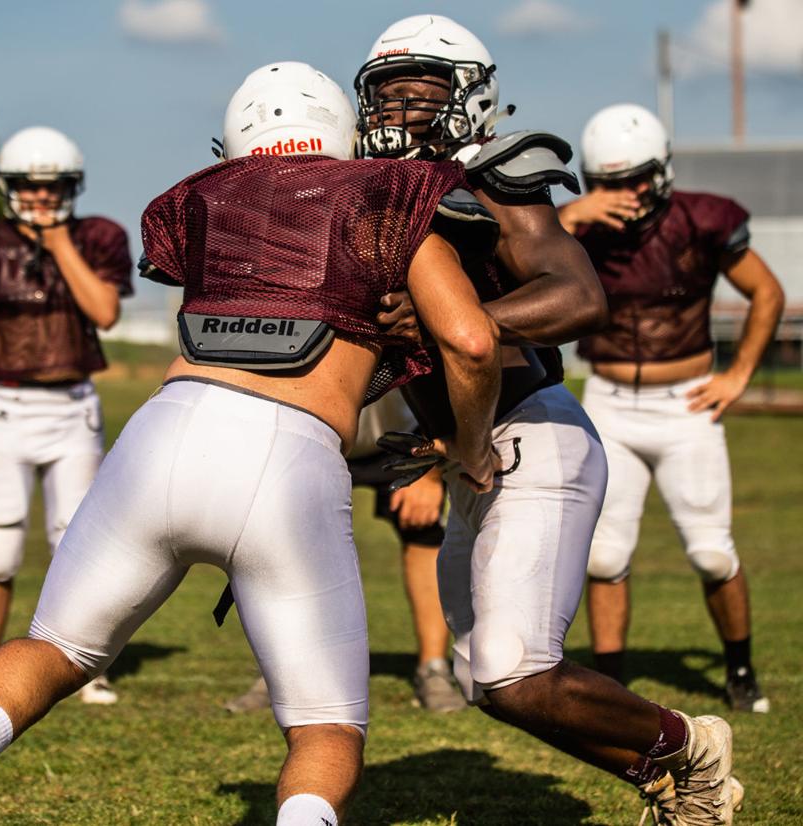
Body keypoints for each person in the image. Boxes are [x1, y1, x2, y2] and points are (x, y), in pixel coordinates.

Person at [0, 61, 503, 826]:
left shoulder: (208, 200)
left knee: (55, 647)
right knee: (326, 725)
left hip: (164, 433)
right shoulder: (386, 196)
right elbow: (473, 343)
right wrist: (471, 447)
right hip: (287, 453)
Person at [357, 16, 743, 824]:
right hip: (469, 447)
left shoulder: (491, 176)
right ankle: (667, 776)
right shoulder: (373, 191)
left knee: (511, 666)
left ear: (469, 94)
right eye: (385, 90)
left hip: (533, 431)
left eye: (419, 88)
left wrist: (457, 323)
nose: (399, 106)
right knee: (488, 681)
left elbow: (580, 296)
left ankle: (691, 744)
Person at [558, 103, 784, 713]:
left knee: (712, 552)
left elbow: (767, 292)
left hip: (686, 404)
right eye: (605, 182)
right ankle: (611, 681)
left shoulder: (703, 220)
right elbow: (516, 266)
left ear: (659, 174)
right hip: (607, 401)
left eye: (631, 179)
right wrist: (568, 217)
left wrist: (737, 375)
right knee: (605, 555)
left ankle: (740, 669)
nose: (621, 194)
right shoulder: (578, 229)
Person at [0, 126, 132, 707]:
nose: (41, 198)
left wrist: (61, 244)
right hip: (2, 407)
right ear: (7, 188)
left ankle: (79, 660)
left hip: (71, 407)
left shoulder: (95, 238)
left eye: (52, 187)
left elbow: (106, 313)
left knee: (76, 539)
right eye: (29, 188)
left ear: (72, 188)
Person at [224, 393, 465, 715]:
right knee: (290, 544)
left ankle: (434, 669)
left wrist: (430, 470)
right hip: (315, 437)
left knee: (424, 535)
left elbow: (447, 380)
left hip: (406, 438)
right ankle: (281, 672)